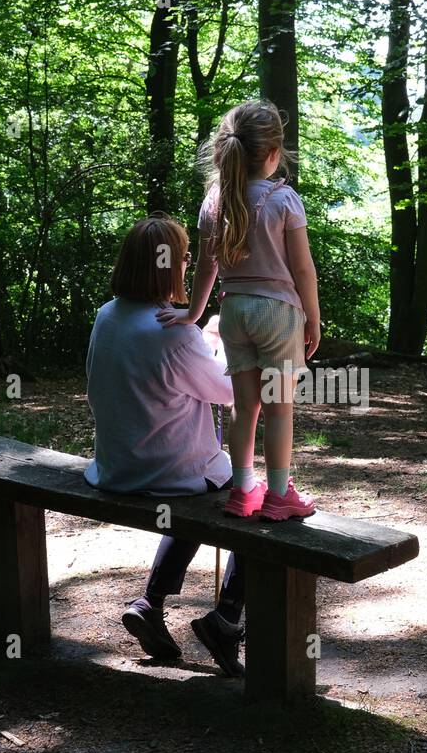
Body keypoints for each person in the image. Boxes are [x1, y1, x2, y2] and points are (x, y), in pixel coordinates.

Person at [84, 214, 246, 676]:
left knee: (201, 491)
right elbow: (229, 392)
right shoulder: (173, 332)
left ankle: (150, 602)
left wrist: (202, 337)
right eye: (186, 258)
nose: (191, 263)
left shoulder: (107, 315)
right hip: (167, 473)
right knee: (259, 497)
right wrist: (218, 340)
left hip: (114, 468)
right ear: (165, 268)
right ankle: (227, 617)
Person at [157, 100, 321, 522]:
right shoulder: (284, 199)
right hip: (278, 312)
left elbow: (208, 265)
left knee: (244, 406)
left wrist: (193, 313)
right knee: (280, 406)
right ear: (272, 153)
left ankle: (243, 489)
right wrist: (314, 318)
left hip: (233, 313)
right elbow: (302, 267)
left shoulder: (216, 200)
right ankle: (280, 494)